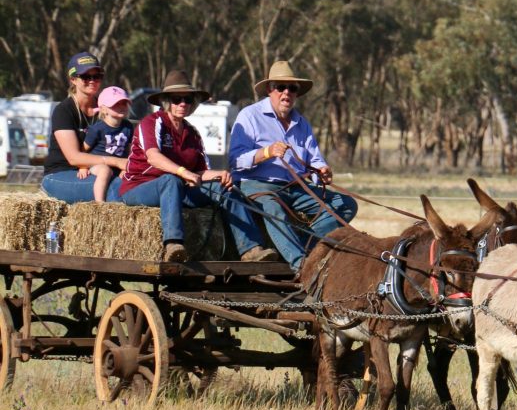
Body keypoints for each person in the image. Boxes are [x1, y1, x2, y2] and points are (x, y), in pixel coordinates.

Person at [120, 70, 279, 263]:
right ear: (166, 101)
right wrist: (182, 171)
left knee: (225, 188)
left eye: (187, 99)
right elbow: (153, 157)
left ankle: (251, 249)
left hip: (179, 187)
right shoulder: (152, 122)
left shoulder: (192, 133)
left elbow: (200, 171)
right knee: (171, 180)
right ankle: (173, 244)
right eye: (177, 99)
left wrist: (220, 174)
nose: (182, 104)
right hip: (141, 186)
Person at [229, 60, 357, 271]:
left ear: (297, 93)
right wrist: (266, 152)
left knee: (346, 204)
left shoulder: (302, 123)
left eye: (292, 88)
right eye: (281, 87)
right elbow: (235, 160)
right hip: (258, 185)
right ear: (270, 90)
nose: (286, 92)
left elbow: (315, 160)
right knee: (272, 208)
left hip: (295, 187)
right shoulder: (249, 116)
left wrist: (322, 173)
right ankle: (302, 267)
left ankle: (307, 246)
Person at [41, 52, 127, 202]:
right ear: (73, 79)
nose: (92, 81)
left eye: (97, 76)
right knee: (114, 187)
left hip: (98, 171)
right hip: (60, 174)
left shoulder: (107, 108)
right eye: (86, 76)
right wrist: (117, 162)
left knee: (129, 183)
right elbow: (74, 158)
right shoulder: (64, 110)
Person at [80, 86, 134, 202]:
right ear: (103, 109)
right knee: (105, 171)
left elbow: (130, 151)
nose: (122, 106)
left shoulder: (128, 126)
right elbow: (83, 150)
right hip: (97, 165)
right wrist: (82, 166)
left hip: (119, 165)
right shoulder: (97, 129)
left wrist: (127, 168)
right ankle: (100, 204)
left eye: (124, 103)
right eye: (116, 104)